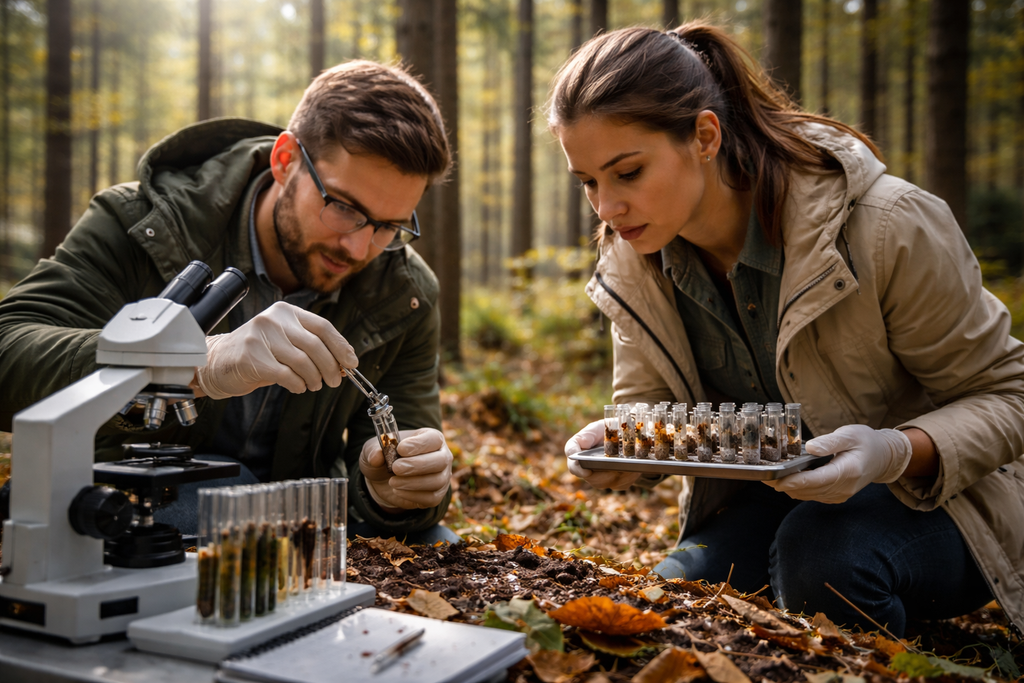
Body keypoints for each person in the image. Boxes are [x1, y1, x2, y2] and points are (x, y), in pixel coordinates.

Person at [552, 23, 1024, 636]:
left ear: (704, 135)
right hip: (773, 502)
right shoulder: (634, 261)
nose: (605, 208)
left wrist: (893, 451)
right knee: (670, 601)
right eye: (588, 181)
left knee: (823, 562)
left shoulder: (886, 226)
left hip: (947, 501)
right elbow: (655, 416)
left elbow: (1010, 397)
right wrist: (625, 453)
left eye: (628, 173)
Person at [0, 60, 459, 543]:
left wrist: (394, 490)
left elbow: (406, 447)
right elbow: (9, 352)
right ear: (285, 161)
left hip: (299, 523)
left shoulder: (404, 289)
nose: (359, 247)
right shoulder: (143, 223)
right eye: (344, 208)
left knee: (439, 547)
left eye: (389, 226)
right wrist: (195, 364)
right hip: (131, 505)